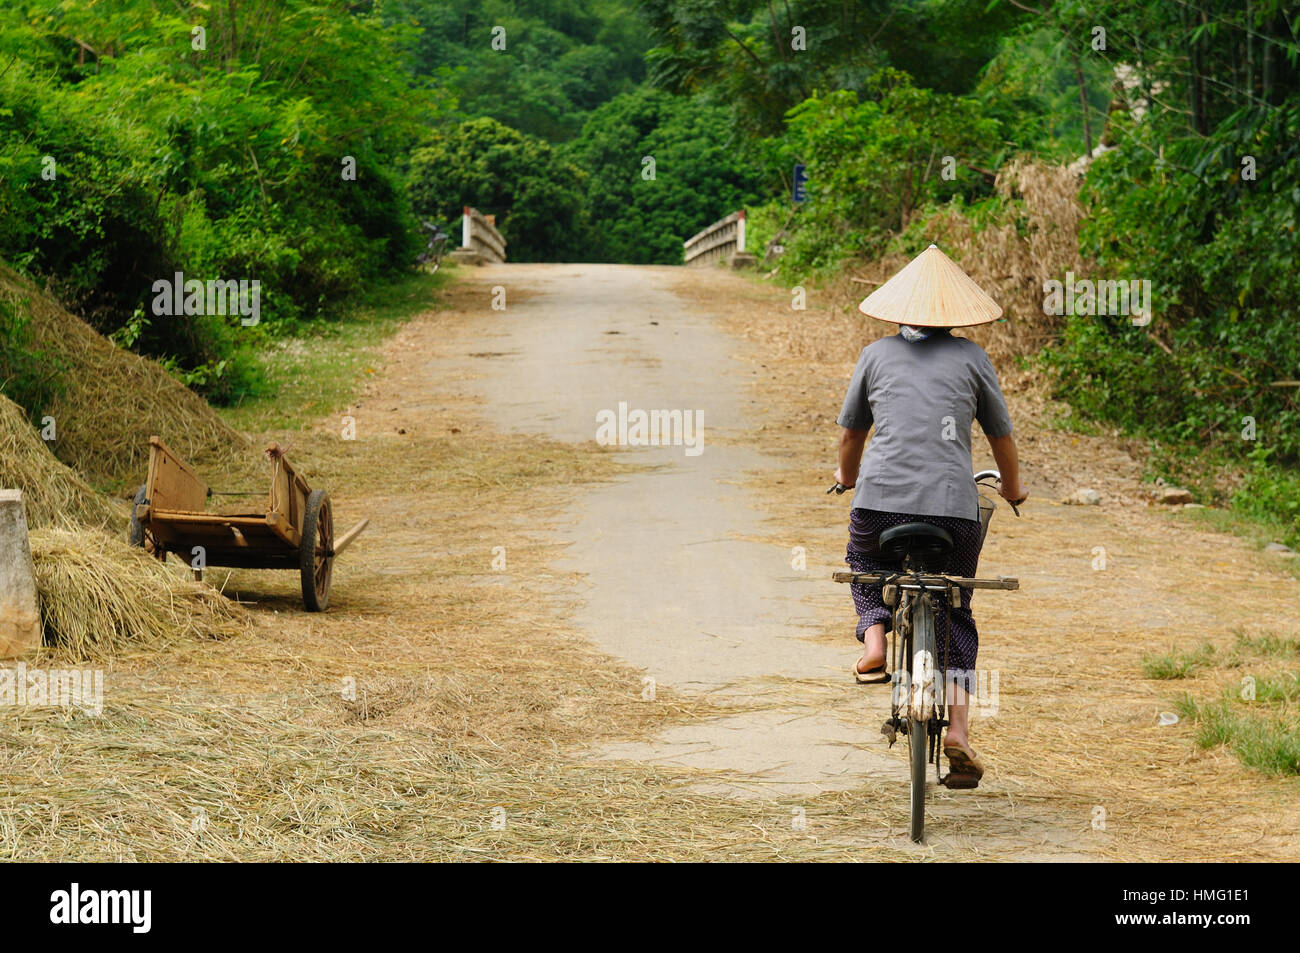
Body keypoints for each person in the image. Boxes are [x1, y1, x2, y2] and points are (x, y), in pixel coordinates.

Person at [833, 244, 1026, 788]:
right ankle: (959, 732)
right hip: (953, 512)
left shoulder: (874, 355)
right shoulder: (973, 358)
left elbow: (851, 434)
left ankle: (874, 640)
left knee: (863, 561)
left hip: (878, 504)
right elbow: (1000, 436)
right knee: (956, 605)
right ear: (953, 316)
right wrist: (1013, 489)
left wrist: (849, 480)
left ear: (899, 311)